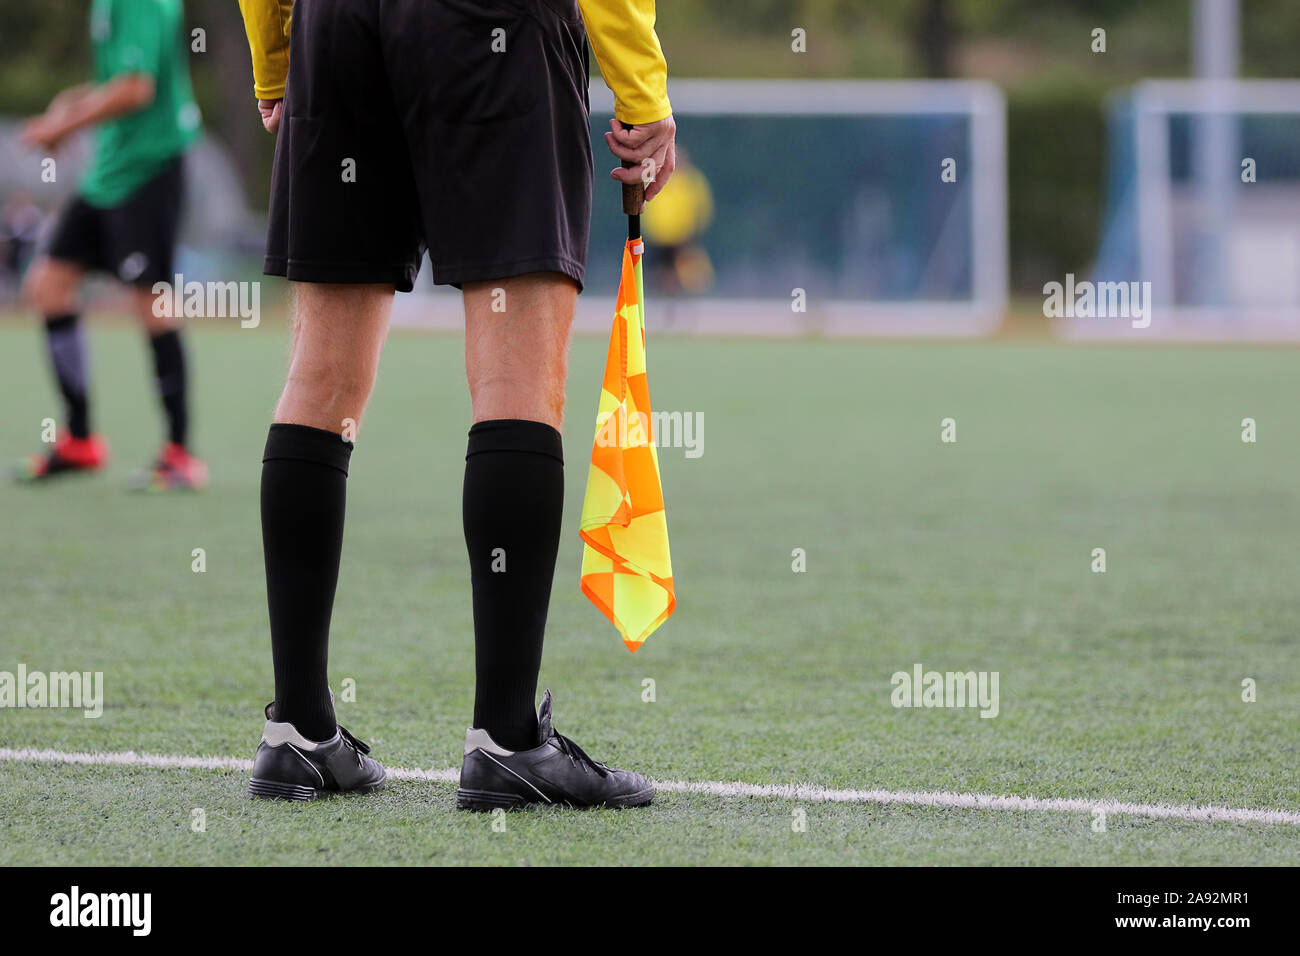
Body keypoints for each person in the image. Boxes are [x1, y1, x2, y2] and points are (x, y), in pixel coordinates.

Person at [238, 0, 677, 808]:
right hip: (488, 25)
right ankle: (508, 742)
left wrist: (276, 53)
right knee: (518, 382)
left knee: (319, 380)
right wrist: (642, 92)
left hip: (334, 25)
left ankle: (297, 731)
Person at [14, 0, 207, 491]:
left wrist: (63, 126)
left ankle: (180, 454)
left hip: (149, 169)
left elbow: (136, 90)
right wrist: (71, 104)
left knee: (151, 304)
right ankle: (80, 440)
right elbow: (119, 77)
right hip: (109, 171)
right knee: (49, 286)